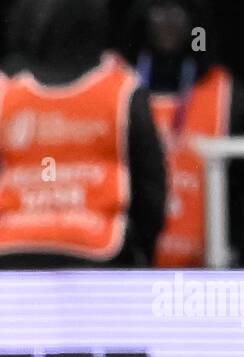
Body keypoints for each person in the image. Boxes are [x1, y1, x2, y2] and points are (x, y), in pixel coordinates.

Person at [0, 0, 165, 267]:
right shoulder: (123, 89)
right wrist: (140, 254)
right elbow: (152, 192)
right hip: (100, 254)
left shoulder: (6, 90)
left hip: (11, 251)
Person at [123, 0, 244, 267]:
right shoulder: (117, 91)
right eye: (159, 8)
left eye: (179, 9)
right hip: (129, 274)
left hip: (208, 278)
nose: (169, 20)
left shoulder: (232, 99)